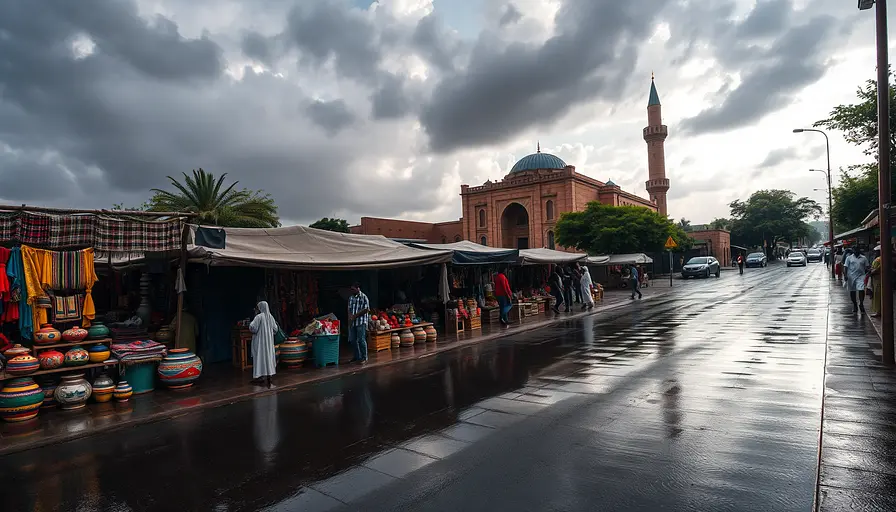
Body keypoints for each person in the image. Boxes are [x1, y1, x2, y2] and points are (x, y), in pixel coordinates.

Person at [249, 301, 278, 388]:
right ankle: (269, 375)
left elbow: (252, 327)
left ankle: (259, 376)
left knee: (260, 358)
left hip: (260, 342)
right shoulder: (271, 317)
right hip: (269, 343)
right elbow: (275, 329)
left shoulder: (259, 317)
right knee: (268, 357)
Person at [348, 282, 370, 364]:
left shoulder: (363, 297)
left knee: (361, 339)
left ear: (358, 288)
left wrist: (355, 316)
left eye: (353, 289)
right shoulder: (351, 298)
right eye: (351, 289)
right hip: (353, 322)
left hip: (361, 322)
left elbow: (367, 309)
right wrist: (350, 319)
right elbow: (349, 309)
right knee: (353, 340)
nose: (352, 291)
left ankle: (364, 357)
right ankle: (357, 356)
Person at [844, 248, 870, 314]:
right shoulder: (849, 258)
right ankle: (855, 304)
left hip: (861, 276)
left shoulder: (864, 258)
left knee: (861, 289)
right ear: (853, 251)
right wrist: (845, 275)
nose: (856, 251)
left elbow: (867, 267)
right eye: (855, 250)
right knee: (852, 291)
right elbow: (846, 267)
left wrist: (869, 271)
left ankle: (861, 304)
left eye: (857, 250)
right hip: (851, 277)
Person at [871, 249, 883, 317]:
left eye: (877, 251)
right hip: (876, 279)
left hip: (878, 279)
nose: (875, 253)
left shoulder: (880, 259)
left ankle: (878, 311)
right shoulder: (878, 259)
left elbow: (878, 269)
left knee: (878, 295)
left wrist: (872, 271)